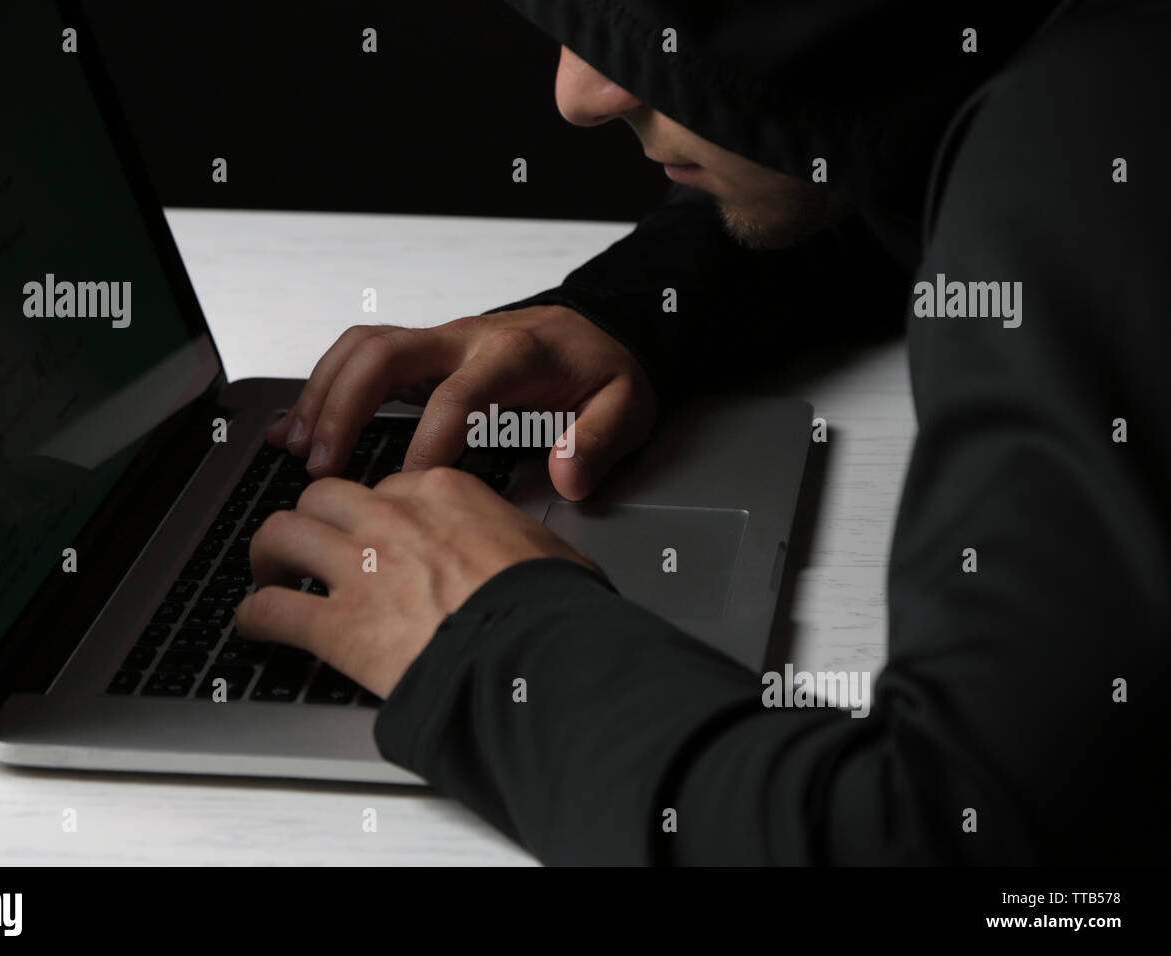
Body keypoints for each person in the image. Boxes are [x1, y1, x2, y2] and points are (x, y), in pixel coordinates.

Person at [236, 0, 1169, 864]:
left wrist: (492, 644)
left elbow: (955, 842)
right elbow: (891, 152)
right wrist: (630, 315)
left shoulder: (1089, 145)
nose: (578, 93)